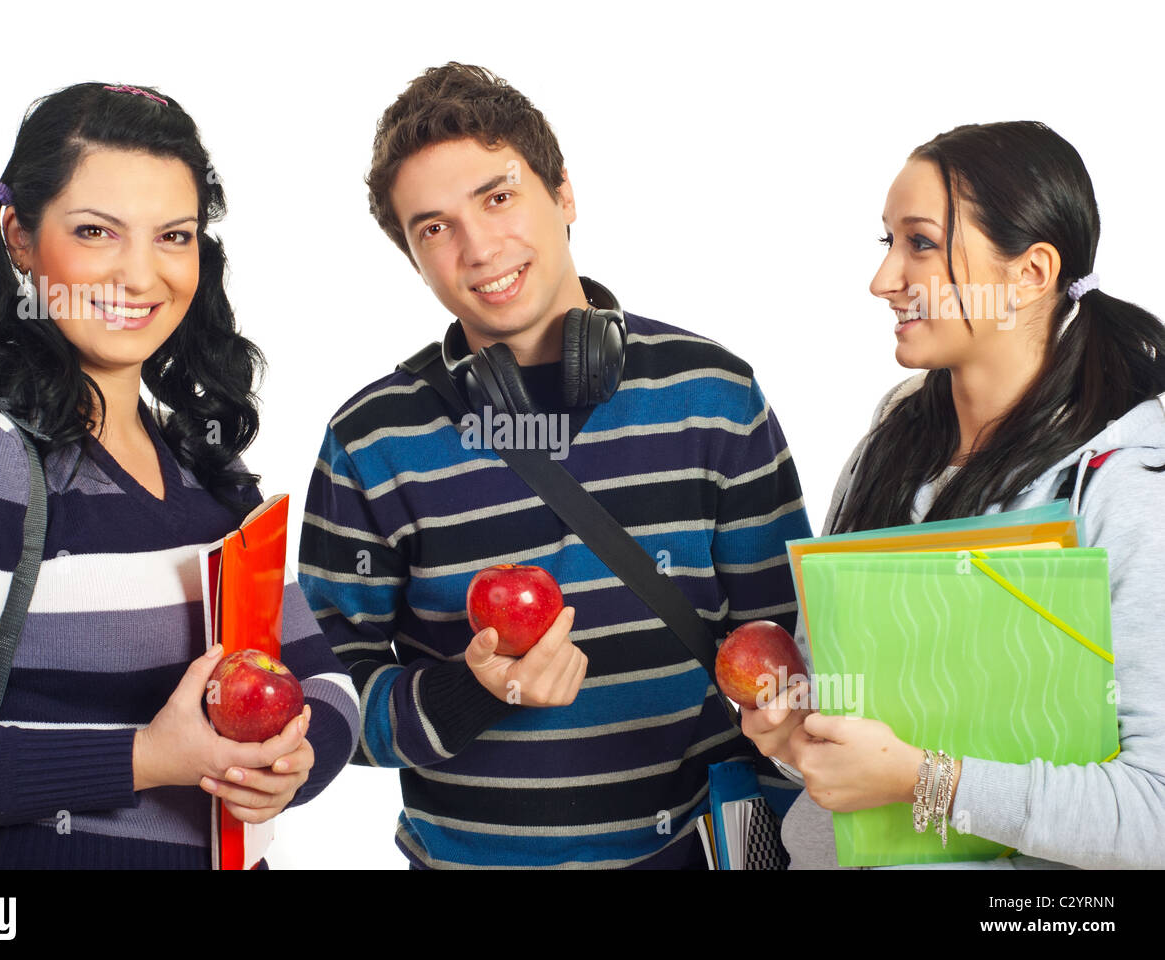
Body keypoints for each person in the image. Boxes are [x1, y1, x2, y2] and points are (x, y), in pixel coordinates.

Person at [298, 62, 812, 869]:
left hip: (694, 851)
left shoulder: (713, 394)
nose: (479, 247)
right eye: (433, 227)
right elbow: (322, 702)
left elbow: (790, 649)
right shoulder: (371, 439)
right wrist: (470, 691)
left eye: (497, 198)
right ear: (413, 255)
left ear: (564, 193)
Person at [0, 82, 358, 868]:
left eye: (173, 236)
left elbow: (324, 679)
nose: (140, 276)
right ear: (19, 238)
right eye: (96, 231)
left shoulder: (207, 468)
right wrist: (147, 759)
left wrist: (297, 760)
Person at [743, 120, 1165, 869]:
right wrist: (793, 736)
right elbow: (842, 744)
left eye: (923, 243)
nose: (884, 280)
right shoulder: (891, 444)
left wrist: (923, 780)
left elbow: (1153, 813)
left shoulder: (1127, 484)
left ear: (1030, 273)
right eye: (888, 243)